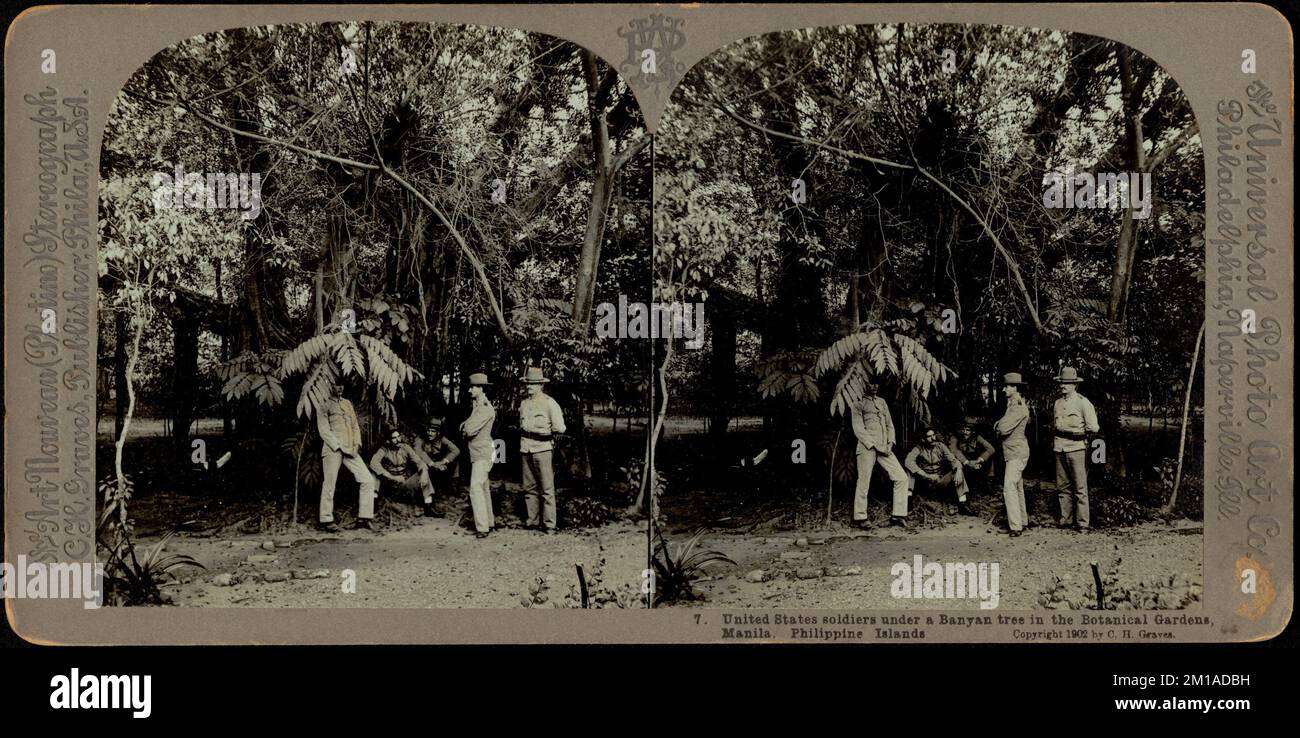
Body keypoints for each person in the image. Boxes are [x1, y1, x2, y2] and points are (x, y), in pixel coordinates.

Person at [316, 384, 377, 532]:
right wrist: (339, 446)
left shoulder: (347, 403)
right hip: (333, 449)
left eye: (342, 385)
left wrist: (356, 444)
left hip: (351, 449)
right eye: (336, 385)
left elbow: (355, 426)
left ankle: (364, 517)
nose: (340, 388)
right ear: (329, 384)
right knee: (329, 484)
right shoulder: (323, 404)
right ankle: (326, 520)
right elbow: (323, 430)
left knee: (368, 479)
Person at [849, 379, 910, 528]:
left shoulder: (882, 402)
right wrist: (874, 445)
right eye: (870, 383)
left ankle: (898, 515)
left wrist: (890, 443)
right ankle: (860, 517)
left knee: (901, 477)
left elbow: (889, 424)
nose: (874, 386)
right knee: (864, 481)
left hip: (885, 447)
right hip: (866, 448)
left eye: (876, 383)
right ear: (863, 383)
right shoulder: (857, 402)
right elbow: (858, 429)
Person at [517, 367, 567, 535]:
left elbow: (560, 428)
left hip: (543, 448)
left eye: (533, 384)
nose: (529, 387)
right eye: (527, 384)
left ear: (541, 385)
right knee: (529, 487)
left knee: (546, 488)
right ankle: (532, 520)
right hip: (526, 447)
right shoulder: (524, 403)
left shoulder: (549, 403)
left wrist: (545, 435)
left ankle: (549, 524)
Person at [1053, 366, 1099, 531]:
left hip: (1077, 448)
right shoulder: (1057, 403)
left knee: (1080, 486)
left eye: (1067, 383)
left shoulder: (1083, 403)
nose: (1063, 385)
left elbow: (1094, 427)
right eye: (1061, 382)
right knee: (1062, 486)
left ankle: (1083, 523)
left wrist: (1077, 433)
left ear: (1074, 385)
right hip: (1059, 448)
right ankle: (1066, 519)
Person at [459, 373, 496, 538]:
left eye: (472, 387)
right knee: (483, 488)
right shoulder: (478, 406)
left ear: (481, 389)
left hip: (483, 453)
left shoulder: (485, 408)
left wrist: (464, 427)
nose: (469, 390)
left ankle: (482, 528)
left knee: (475, 488)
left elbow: (468, 429)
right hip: (478, 452)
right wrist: (465, 426)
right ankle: (489, 522)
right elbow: (468, 426)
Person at [905, 427, 974, 516]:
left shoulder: (940, 446)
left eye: (934, 435)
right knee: (910, 470)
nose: (933, 438)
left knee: (957, 471)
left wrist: (959, 469)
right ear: (923, 439)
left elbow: (954, 460)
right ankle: (908, 500)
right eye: (929, 436)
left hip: (939, 481)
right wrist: (926, 475)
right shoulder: (919, 448)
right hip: (924, 482)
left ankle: (963, 504)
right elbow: (908, 461)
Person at [994, 372, 1031, 537]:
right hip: (1014, 451)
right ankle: (1022, 521)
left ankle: (1015, 526)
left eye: (1007, 386)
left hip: (1017, 451)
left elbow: (1002, 428)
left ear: (1016, 388)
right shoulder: (1013, 405)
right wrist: (999, 425)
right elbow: (1002, 425)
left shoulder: (1017, 407)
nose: (1004, 389)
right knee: (1017, 487)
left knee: (1009, 487)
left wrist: (998, 426)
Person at [369, 429, 437, 516]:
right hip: (390, 486)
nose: (398, 440)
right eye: (394, 438)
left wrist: (424, 472)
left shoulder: (406, 448)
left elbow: (419, 461)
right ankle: (374, 504)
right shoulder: (384, 450)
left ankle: (428, 507)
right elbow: (373, 463)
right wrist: (392, 477)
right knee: (374, 473)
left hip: (404, 484)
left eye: (398, 437)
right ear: (388, 440)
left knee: (424, 472)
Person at [413, 417, 460, 516]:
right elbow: (419, 452)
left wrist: (444, 461)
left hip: (437, 466)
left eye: (433, 431)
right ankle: (427, 505)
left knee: (454, 461)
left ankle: (452, 487)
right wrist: (433, 464)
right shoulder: (420, 439)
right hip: (423, 466)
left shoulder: (441, 439)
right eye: (428, 430)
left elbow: (456, 450)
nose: (429, 433)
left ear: (438, 432)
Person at [949, 417, 996, 495]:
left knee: (989, 458)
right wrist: (967, 462)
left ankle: (988, 482)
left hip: (974, 461)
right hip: (962, 461)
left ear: (972, 431)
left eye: (968, 430)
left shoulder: (977, 437)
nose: (965, 432)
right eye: (963, 430)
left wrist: (979, 460)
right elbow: (954, 450)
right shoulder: (955, 437)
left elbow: (991, 449)